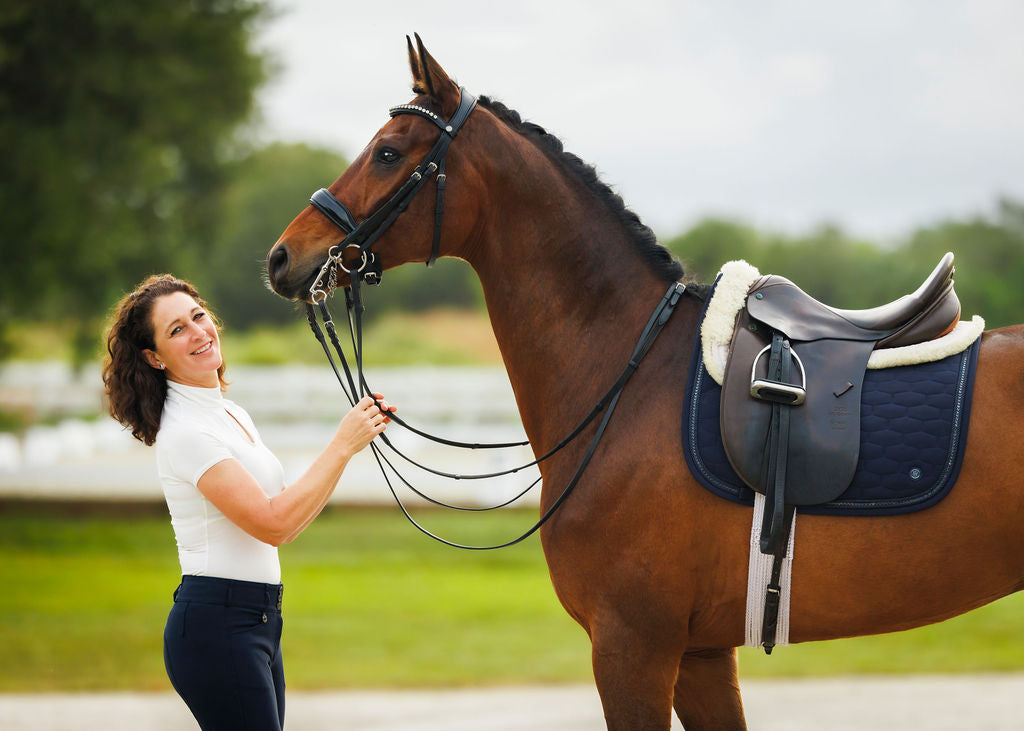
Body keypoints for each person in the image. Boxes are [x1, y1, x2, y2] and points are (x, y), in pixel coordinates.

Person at [102, 273, 394, 730]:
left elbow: (287, 522)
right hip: (217, 626)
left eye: (198, 317)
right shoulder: (186, 432)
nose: (199, 332)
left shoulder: (229, 413)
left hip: (257, 619)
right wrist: (342, 445)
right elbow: (274, 524)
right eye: (177, 329)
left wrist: (351, 443)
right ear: (154, 357)